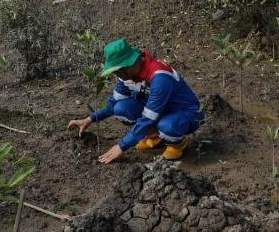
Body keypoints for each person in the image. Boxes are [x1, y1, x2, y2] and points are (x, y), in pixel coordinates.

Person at [68, 38, 204, 163]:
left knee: (168, 126)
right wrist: (90, 119)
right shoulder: (126, 76)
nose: (116, 75)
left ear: (128, 65)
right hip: (155, 110)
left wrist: (121, 146)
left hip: (185, 113)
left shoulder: (160, 78)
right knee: (121, 109)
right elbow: (115, 101)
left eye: (117, 71)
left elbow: (148, 117)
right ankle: (155, 137)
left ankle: (177, 144)